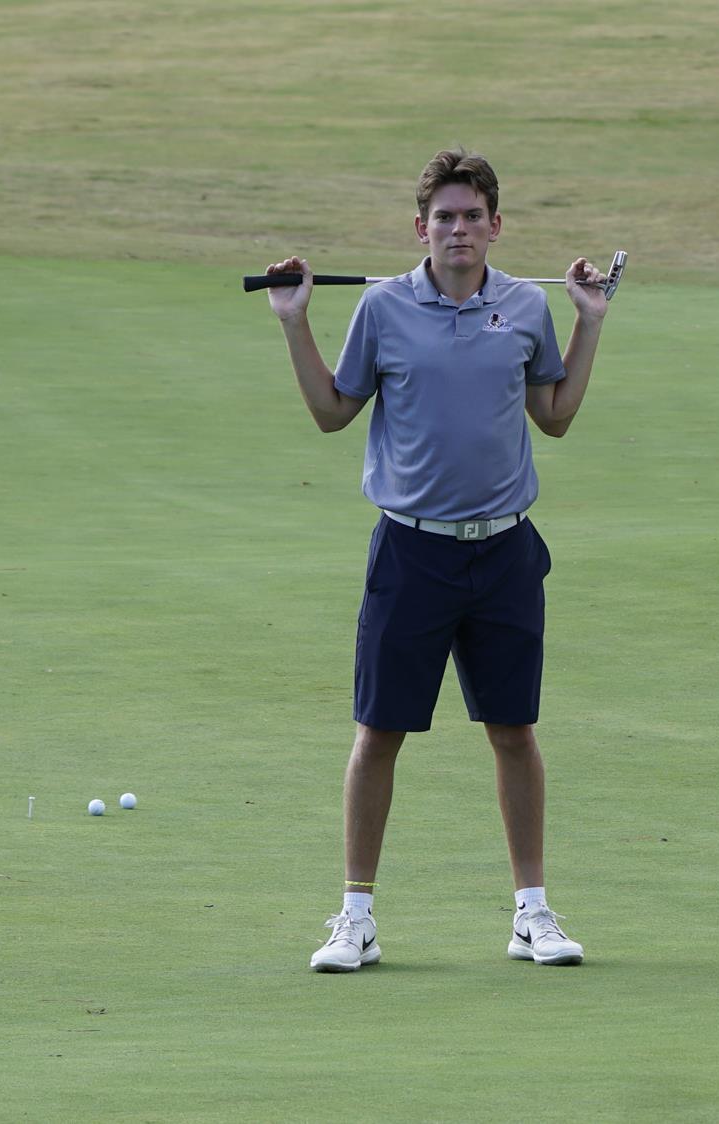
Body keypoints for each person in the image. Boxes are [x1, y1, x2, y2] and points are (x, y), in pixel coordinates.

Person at [263, 147, 610, 973]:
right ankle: (355, 918)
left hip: (505, 550)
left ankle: (532, 913)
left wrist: (591, 321)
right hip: (411, 551)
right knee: (379, 732)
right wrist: (294, 321)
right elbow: (332, 412)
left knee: (514, 731)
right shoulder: (383, 307)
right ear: (421, 228)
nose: (459, 229)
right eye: (444, 217)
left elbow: (555, 415)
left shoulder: (525, 307)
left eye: (472, 216)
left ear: (496, 225)